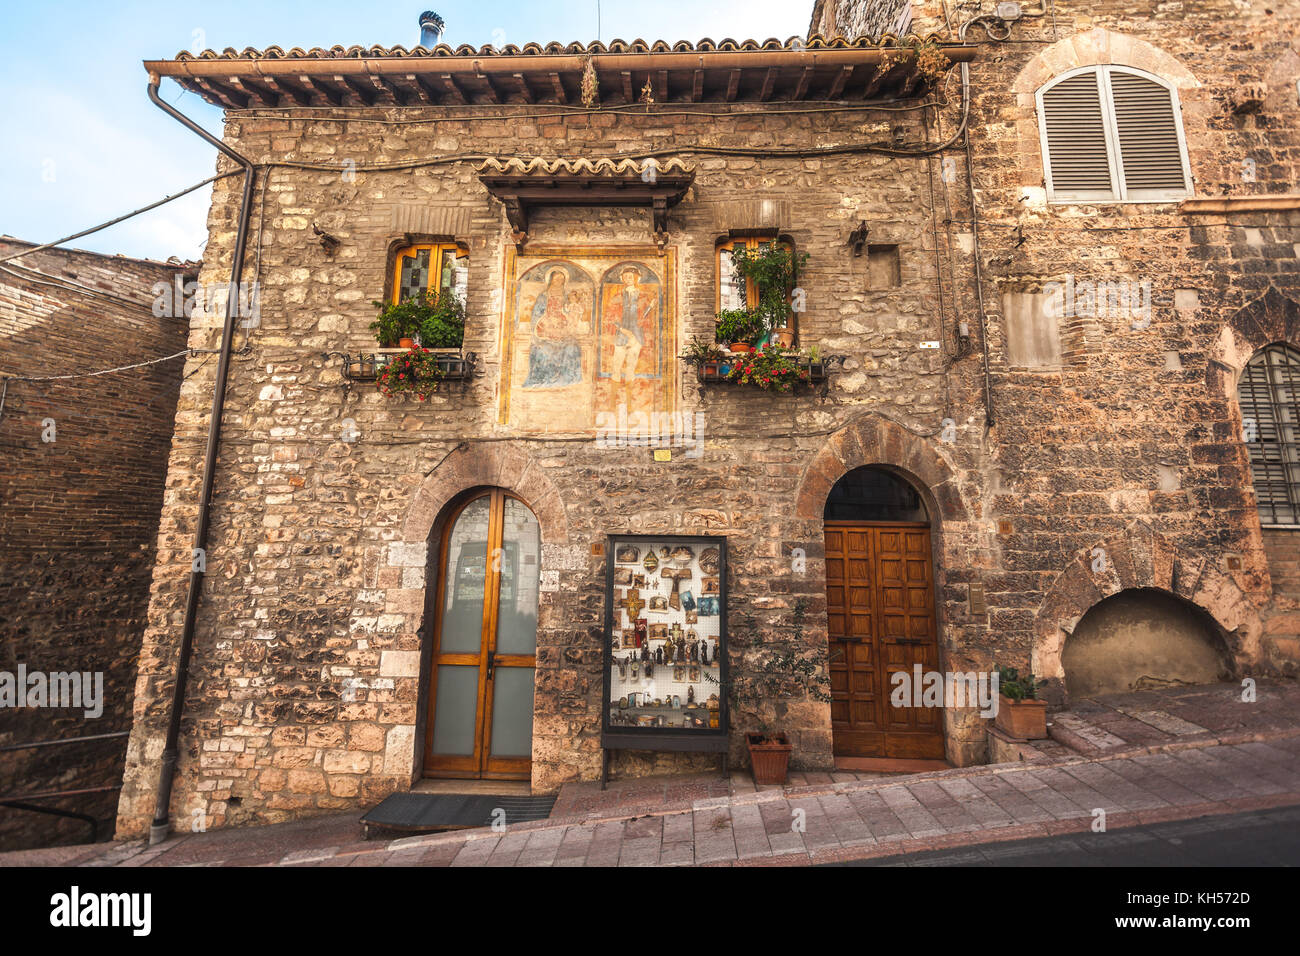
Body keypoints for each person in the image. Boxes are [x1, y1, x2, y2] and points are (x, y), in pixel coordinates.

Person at [523, 268, 584, 388]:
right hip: (546, 325)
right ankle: (544, 378)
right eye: (557, 279)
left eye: (562, 279)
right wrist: (541, 325)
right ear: (551, 280)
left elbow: (572, 311)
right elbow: (536, 313)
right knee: (541, 348)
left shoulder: (568, 296)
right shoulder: (544, 296)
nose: (559, 281)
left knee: (573, 347)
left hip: (563, 326)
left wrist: (570, 318)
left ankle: (567, 379)